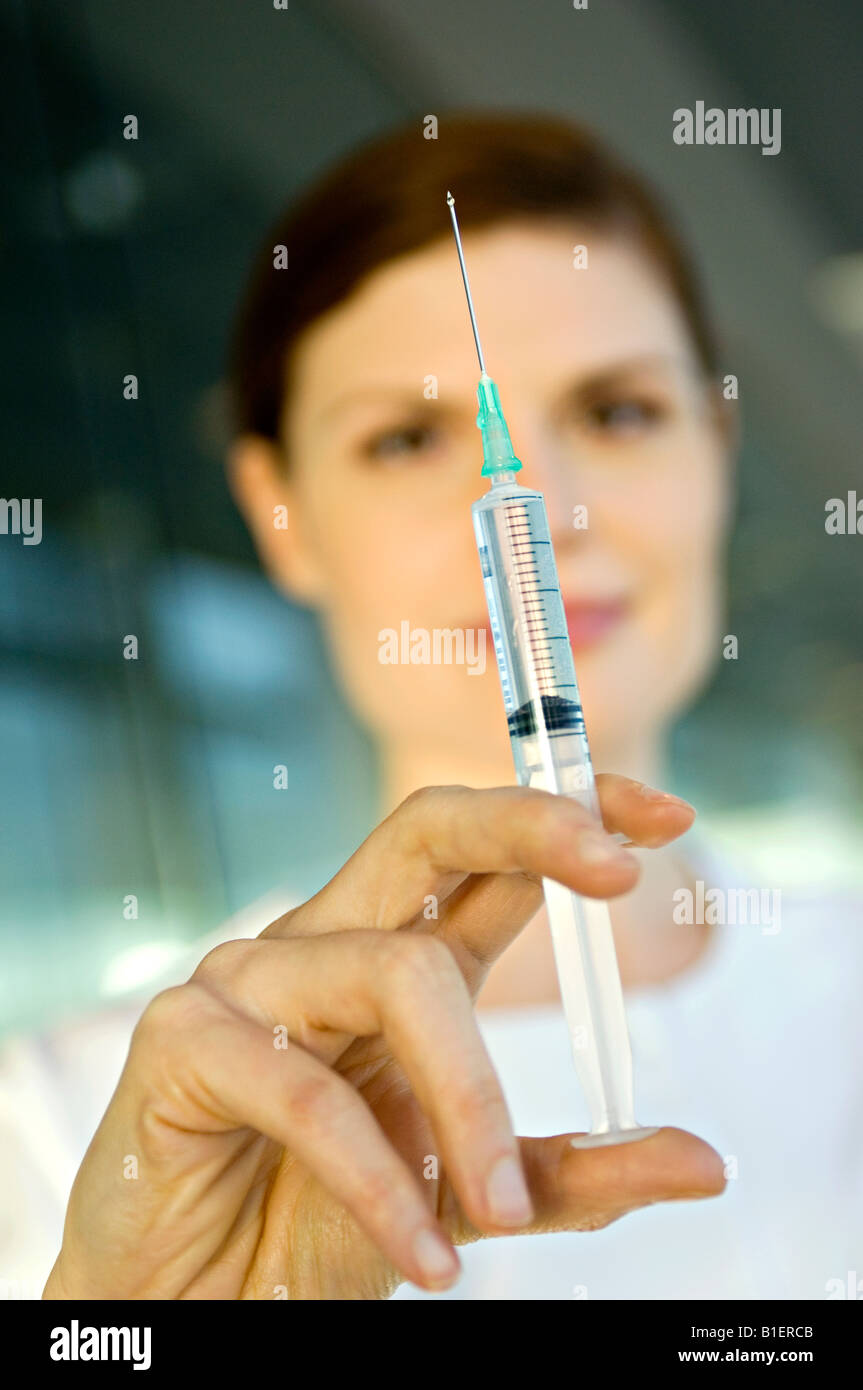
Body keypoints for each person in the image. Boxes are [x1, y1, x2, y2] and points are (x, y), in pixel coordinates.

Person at [5, 113, 861, 1301]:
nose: (545, 510)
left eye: (617, 411)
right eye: (404, 437)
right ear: (279, 513)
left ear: (714, 448)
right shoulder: (81, 1129)